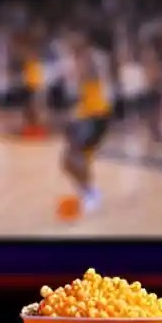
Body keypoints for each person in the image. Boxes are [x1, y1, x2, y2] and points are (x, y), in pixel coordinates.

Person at [56, 31, 114, 219]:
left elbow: (92, 73)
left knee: (76, 156)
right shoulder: (80, 59)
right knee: (66, 161)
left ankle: (91, 194)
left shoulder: (92, 58)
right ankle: (87, 191)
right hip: (85, 113)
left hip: (97, 114)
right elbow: (80, 91)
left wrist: (73, 62)